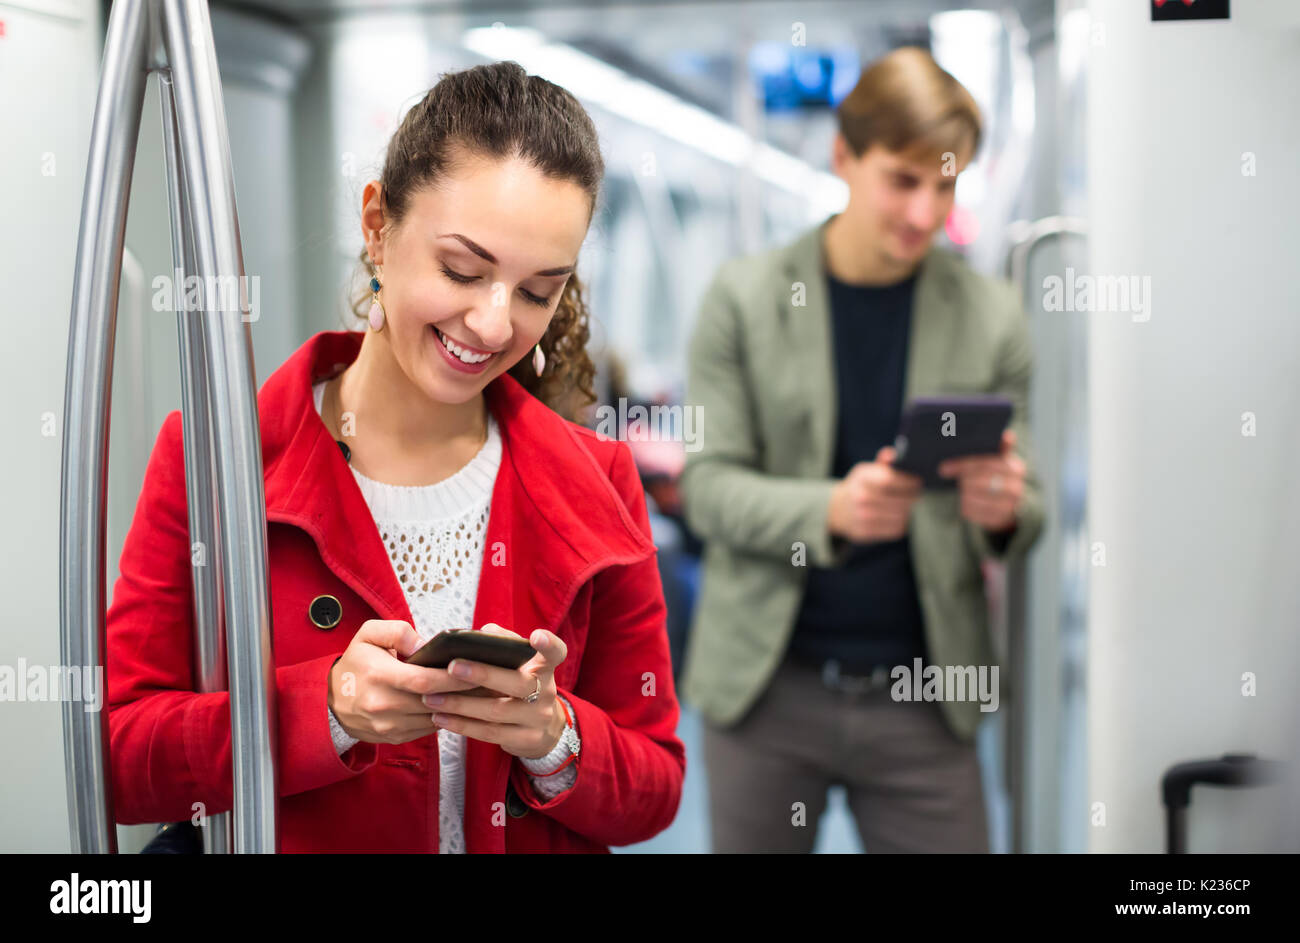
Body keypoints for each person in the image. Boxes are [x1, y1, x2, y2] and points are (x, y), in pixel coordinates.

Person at [106, 61, 685, 853]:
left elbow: (653, 788)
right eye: (462, 270)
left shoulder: (600, 480)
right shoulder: (214, 461)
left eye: (536, 291)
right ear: (377, 227)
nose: (492, 324)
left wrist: (555, 734)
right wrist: (323, 711)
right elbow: (122, 758)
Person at [680, 46, 1044, 853]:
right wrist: (832, 510)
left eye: (945, 185)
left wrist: (1003, 510)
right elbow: (705, 488)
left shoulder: (991, 316)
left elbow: (1032, 502)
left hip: (926, 695)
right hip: (767, 689)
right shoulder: (744, 299)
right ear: (844, 156)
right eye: (903, 181)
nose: (925, 213)